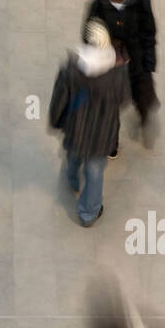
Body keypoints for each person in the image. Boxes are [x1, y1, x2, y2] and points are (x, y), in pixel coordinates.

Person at [49, 18, 128, 227]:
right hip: (101, 134)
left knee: (73, 154)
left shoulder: (71, 69)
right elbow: (122, 98)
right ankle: (88, 213)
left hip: (76, 128)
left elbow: (59, 99)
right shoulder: (117, 71)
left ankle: (72, 178)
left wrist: (56, 121)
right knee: (94, 171)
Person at [83, 0, 158, 155]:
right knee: (109, 106)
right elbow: (88, 35)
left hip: (136, 59)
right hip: (109, 64)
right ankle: (111, 143)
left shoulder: (141, 2)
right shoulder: (97, 6)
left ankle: (144, 118)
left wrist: (149, 63)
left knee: (144, 97)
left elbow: (149, 33)